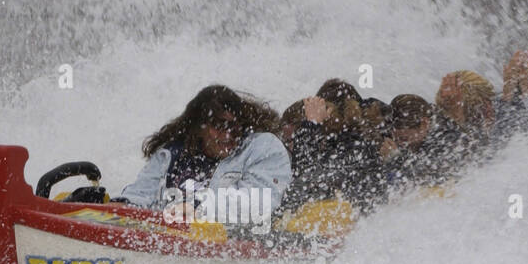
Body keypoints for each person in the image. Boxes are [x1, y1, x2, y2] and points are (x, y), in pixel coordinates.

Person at [118, 85, 291, 224]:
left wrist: (199, 207)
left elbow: (261, 202)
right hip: (168, 244)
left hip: (233, 248)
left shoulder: (263, 147)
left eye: (234, 126)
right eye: (219, 126)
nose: (228, 135)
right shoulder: (171, 153)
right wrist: (118, 205)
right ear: (199, 128)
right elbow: (140, 195)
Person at [278, 79, 388, 213]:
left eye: (292, 140)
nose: (288, 148)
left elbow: (307, 177)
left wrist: (310, 126)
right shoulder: (332, 145)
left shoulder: (353, 145)